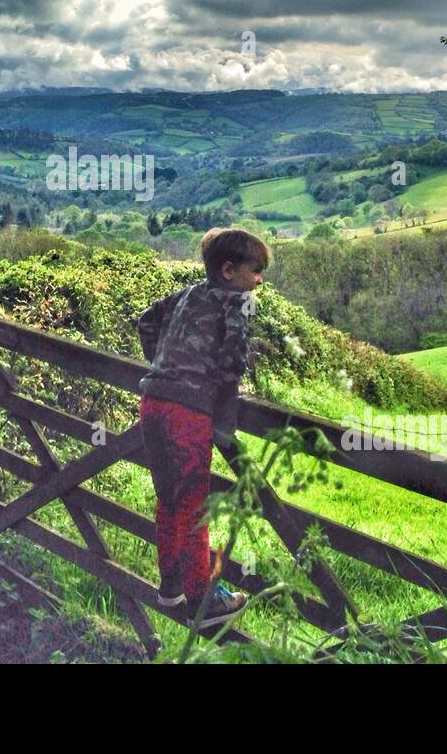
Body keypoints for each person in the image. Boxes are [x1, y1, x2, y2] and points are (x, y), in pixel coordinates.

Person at [135, 226, 268, 630]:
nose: (260, 280)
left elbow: (145, 322)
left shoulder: (189, 293)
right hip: (187, 413)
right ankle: (202, 599)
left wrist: (166, 367)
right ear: (230, 271)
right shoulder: (238, 302)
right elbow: (232, 363)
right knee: (194, 504)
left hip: (152, 401)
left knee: (168, 499)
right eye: (255, 270)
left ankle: (170, 586)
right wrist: (217, 402)